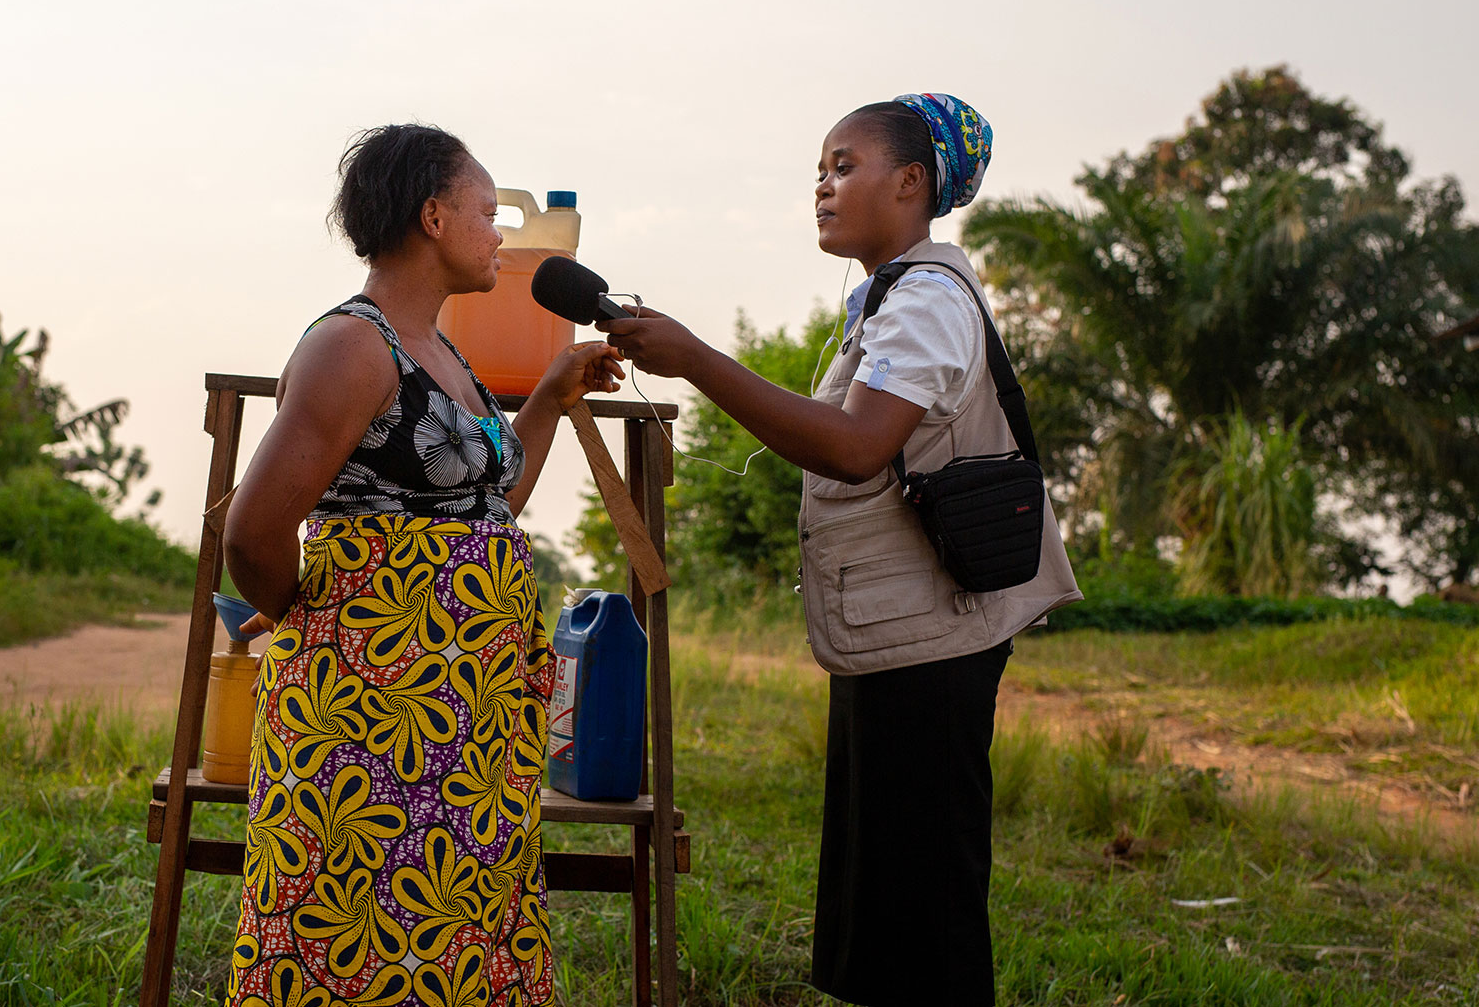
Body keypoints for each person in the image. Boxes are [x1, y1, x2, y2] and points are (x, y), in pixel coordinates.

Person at [599, 94, 1081, 1006]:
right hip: (898, 630)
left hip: (934, 643)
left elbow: (853, 445)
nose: (822, 187)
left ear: (911, 182)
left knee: (924, 914)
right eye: (819, 171)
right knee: (887, 901)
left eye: (844, 165)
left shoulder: (929, 301)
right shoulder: (893, 296)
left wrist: (696, 358)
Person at [222, 123, 622, 1007]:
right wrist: (319, 621)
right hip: (373, 709)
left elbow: (480, 510)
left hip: (462, 718)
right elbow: (252, 532)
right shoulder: (354, 346)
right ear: (434, 216)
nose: (501, 235)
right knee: (356, 922)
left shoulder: (443, 353)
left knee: (450, 922)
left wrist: (551, 396)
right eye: (487, 213)